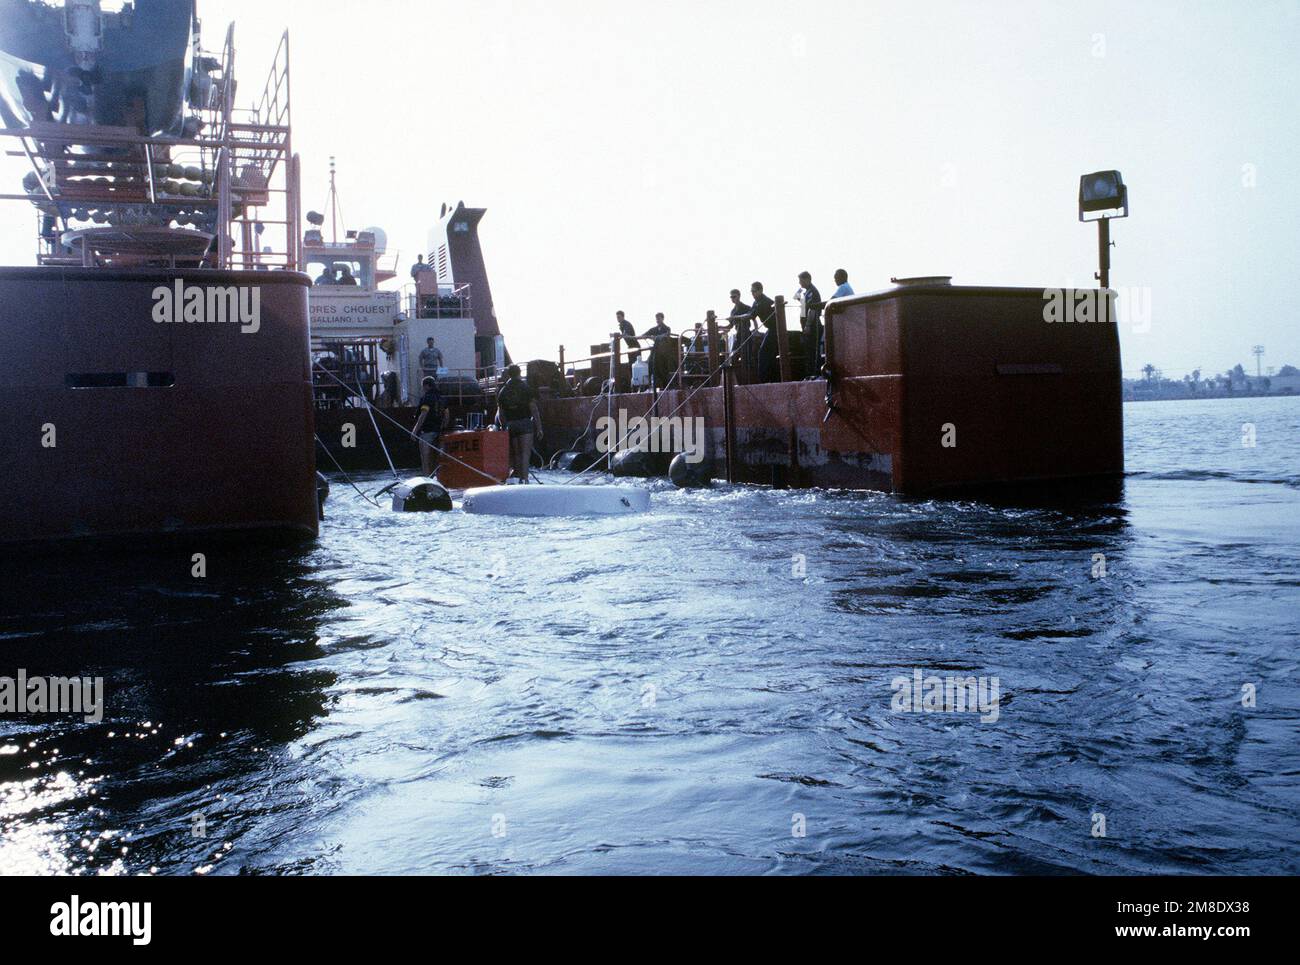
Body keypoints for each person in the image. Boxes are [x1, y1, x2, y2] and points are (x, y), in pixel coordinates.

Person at [496, 364, 543, 483]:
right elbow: (534, 409)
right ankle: (525, 479)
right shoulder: (525, 388)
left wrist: (503, 427)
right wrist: (539, 428)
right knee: (525, 454)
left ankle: (518, 479)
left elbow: (501, 413)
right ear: (519, 373)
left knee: (516, 454)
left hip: (511, 425)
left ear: (509, 374)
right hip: (525, 423)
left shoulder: (503, 391)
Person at [412, 375, 449, 478]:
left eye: (423, 386)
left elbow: (423, 414)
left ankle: (427, 482)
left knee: (426, 460)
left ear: (427, 386)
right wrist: (443, 428)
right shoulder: (442, 398)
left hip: (427, 433)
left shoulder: (427, 398)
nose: (422, 389)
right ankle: (437, 480)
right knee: (436, 459)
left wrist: (415, 431)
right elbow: (446, 415)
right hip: (439, 433)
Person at [795, 271, 823, 377]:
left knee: (813, 352)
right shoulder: (806, 292)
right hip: (807, 326)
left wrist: (808, 325)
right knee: (808, 352)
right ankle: (810, 374)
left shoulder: (813, 292)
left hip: (813, 326)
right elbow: (800, 301)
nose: (799, 283)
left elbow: (813, 310)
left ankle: (816, 374)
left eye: (801, 281)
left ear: (807, 279)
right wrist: (800, 291)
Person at [749, 282, 778, 382]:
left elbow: (751, 315)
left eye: (754, 291)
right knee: (769, 354)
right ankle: (770, 379)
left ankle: (764, 380)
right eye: (751, 291)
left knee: (763, 353)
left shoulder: (764, 302)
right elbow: (751, 314)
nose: (752, 293)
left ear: (760, 290)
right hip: (770, 329)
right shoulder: (756, 302)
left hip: (775, 329)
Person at [642, 313, 674, 389]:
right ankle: (650, 385)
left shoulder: (667, 328)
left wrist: (656, 337)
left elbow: (666, 335)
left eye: (659, 318)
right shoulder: (654, 329)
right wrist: (649, 337)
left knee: (663, 368)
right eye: (656, 319)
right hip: (655, 351)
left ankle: (665, 385)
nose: (657, 320)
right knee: (650, 363)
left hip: (664, 353)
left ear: (663, 318)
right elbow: (644, 335)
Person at [726, 288, 754, 375]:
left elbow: (753, 319)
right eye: (731, 297)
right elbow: (730, 326)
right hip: (738, 336)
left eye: (734, 297)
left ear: (739, 296)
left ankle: (749, 377)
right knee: (733, 357)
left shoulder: (746, 308)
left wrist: (756, 330)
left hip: (746, 334)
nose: (732, 299)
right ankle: (737, 378)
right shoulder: (733, 311)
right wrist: (720, 328)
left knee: (747, 358)